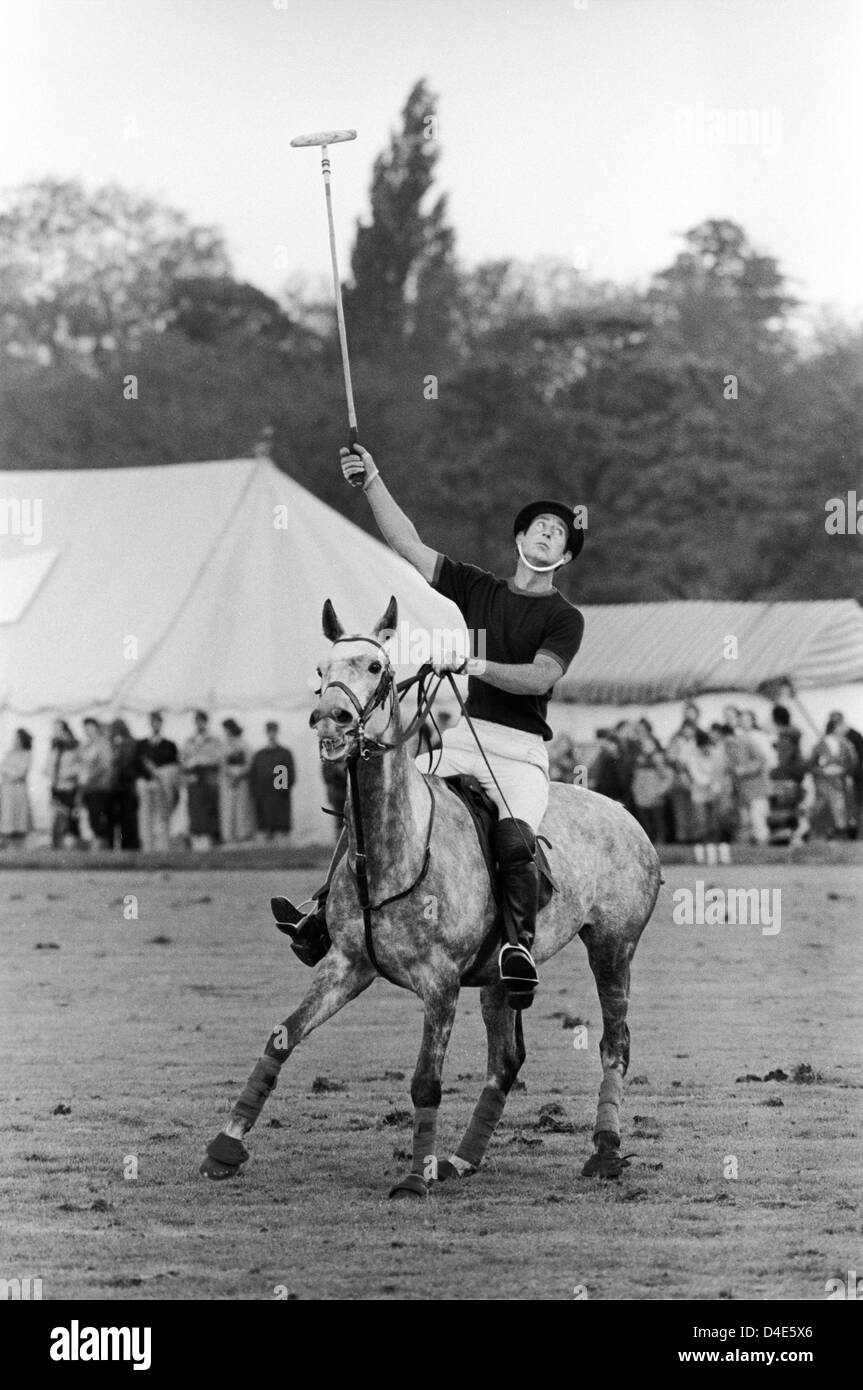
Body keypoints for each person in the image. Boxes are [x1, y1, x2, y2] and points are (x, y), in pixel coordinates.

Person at [275, 443, 585, 1009]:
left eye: (558, 534)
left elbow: (540, 679)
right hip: (464, 741)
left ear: (563, 556)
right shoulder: (479, 588)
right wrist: (371, 482)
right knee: (380, 802)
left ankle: (517, 949)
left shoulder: (565, 617)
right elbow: (409, 546)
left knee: (516, 843)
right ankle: (321, 912)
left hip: (520, 754)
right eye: (539, 526)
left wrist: (476, 664)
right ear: (519, 540)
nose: (547, 534)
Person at [809, 713, 858, 840]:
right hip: (825, 784)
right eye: (841, 725)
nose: (844, 728)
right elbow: (811, 765)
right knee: (827, 810)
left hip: (841, 782)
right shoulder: (822, 743)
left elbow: (853, 763)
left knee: (844, 810)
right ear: (834, 726)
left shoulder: (846, 744)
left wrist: (843, 770)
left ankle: (843, 830)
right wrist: (824, 771)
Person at [136, 711, 180, 852]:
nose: (156, 724)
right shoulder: (142, 744)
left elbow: (176, 764)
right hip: (147, 785)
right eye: (153, 721)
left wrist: (161, 773)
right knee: (146, 816)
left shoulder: (170, 745)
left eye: (158, 721)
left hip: (163, 785)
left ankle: (164, 846)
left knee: (163, 816)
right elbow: (136, 765)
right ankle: (148, 847)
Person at [181, 711, 223, 848]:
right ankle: (196, 838)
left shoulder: (214, 740)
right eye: (197, 721)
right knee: (194, 808)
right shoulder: (189, 741)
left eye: (202, 721)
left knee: (210, 807)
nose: (199, 724)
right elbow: (183, 759)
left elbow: (219, 758)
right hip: (194, 777)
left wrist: (203, 760)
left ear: (206, 722)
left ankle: (212, 838)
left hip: (209, 776)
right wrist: (191, 763)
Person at [250, 722, 295, 840]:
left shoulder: (284, 753)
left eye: (273, 730)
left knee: (281, 827)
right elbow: (254, 775)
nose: (271, 734)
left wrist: (281, 790)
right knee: (266, 827)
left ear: (276, 732)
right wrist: (257, 792)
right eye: (269, 731)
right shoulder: (259, 755)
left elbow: (289, 774)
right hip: (263, 797)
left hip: (280, 798)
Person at [630, 732, 673, 844]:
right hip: (641, 797)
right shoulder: (639, 760)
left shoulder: (659, 759)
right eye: (644, 745)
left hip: (655, 796)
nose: (646, 747)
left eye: (649, 744)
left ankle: (661, 844)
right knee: (646, 824)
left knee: (658, 822)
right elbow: (636, 778)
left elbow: (668, 776)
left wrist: (660, 791)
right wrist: (636, 791)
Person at [44, 720, 81, 848]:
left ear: (66, 731)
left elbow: (79, 766)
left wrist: (66, 774)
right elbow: (48, 765)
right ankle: (56, 844)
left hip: (69, 787)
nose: (56, 733)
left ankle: (72, 846)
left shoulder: (74, 747)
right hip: (56, 787)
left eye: (59, 730)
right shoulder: (54, 748)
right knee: (55, 818)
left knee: (71, 818)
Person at [78, 717, 114, 847]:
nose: (87, 730)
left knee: (99, 818)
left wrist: (90, 777)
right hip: (88, 788)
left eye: (89, 727)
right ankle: (97, 844)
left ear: (96, 727)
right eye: (85, 728)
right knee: (92, 818)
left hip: (100, 787)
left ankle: (103, 845)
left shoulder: (103, 743)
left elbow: (105, 765)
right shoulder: (86, 745)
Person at [219, 719, 255, 845]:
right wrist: (229, 774)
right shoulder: (224, 745)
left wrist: (239, 774)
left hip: (242, 779)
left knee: (242, 808)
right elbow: (222, 763)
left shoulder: (244, 744)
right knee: (228, 808)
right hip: (228, 780)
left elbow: (249, 763)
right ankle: (229, 836)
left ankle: (242, 834)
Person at [107, 718, 141, 850]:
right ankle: (114, 846)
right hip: (113, 786)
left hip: (126, 785)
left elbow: (128, 762)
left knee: (127, 819)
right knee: (114, 819)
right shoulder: (110, 743)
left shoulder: (130, 743)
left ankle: (128, 846)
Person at [0, 728, 33, 846]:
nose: (16, 740)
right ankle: (6, 839)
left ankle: (18, 841)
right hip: (7, 789)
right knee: (7, 815)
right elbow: (3, 768)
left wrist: (9, 772)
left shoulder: (26, 754)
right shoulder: (9, 753)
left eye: (18, 738)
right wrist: (10, 771)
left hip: (19, 789)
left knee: (19, 815)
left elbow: (21, 772)